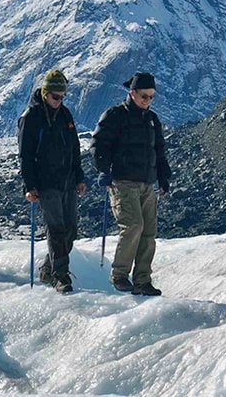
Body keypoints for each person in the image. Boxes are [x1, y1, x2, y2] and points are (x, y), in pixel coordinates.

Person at [92, 71, 172, 296]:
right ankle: (119, 275)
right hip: (123, 181)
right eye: (144, 96)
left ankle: (142, 281)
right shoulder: (115, 115)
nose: (148, 101)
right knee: (133, 226)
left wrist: (164, 177)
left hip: (147, 182)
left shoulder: (152, 120)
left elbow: (159, 151)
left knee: (148, 232)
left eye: (152, 97)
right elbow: (99, 144)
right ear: (132, 93)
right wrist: (103, 170)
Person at [18, 70, 87, 294]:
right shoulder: (32, 117)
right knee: (56, 228)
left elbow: (74, 147)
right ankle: (61, 275)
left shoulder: (65, 115)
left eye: (62, 97)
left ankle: (48, 268)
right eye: (55, 97)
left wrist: (79, 176)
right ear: (45, 93)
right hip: (46, 182)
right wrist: (30, 186)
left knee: (71, 230)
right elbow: (25, 155)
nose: (59, 101)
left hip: (67, 180)